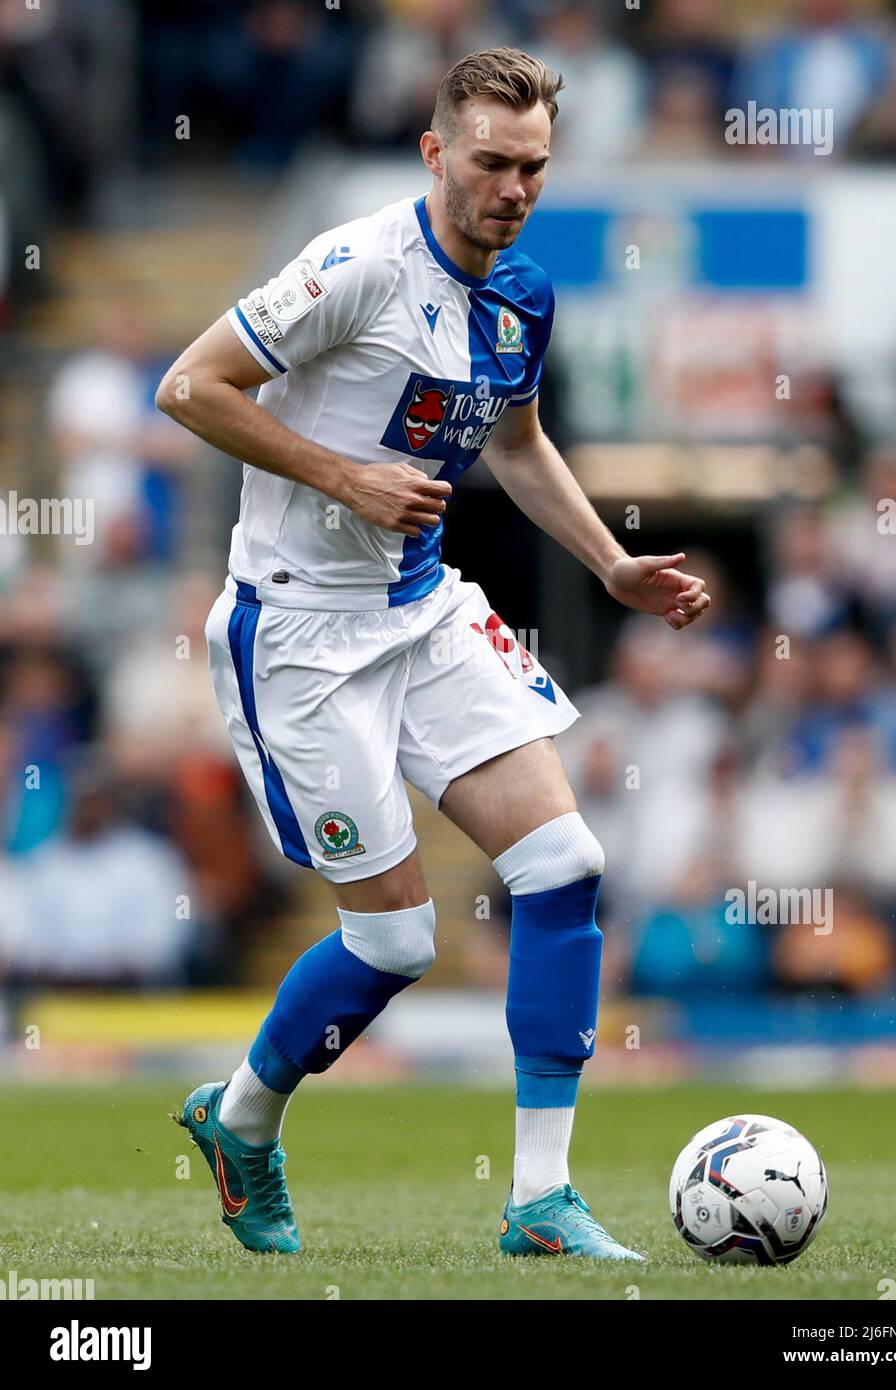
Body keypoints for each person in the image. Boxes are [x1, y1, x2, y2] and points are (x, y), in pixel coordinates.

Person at [156, 46, 710, 1261]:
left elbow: (513, 443)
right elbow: (189, 387)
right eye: (490, 162)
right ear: (434, 151)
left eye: (533, 167)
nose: (512, 187)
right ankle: (241, 1119)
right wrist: (343, 472)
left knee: (563, 862)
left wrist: (606, 565)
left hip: (422, 611)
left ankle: (539, 1203)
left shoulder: (523, 293)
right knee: (397, 942)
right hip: (297, 634)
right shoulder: (354, 268)